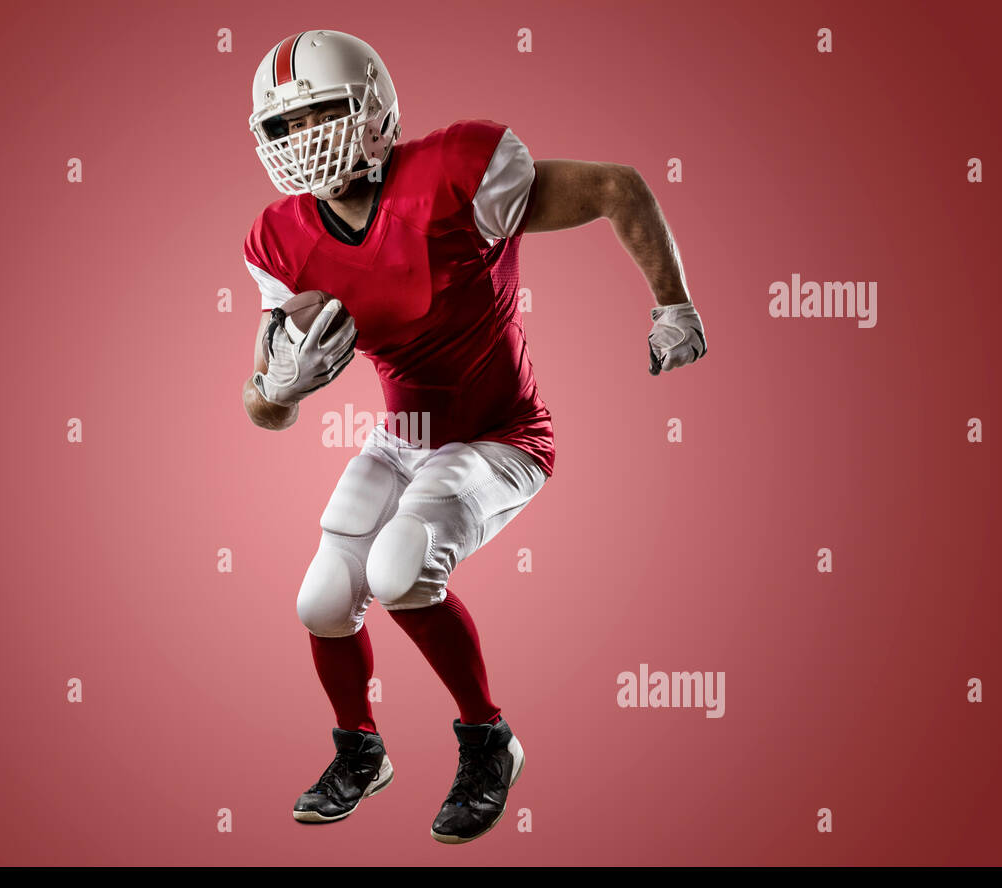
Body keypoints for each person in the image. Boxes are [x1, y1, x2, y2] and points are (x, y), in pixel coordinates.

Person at [241, 29, 707, 844]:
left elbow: (614, 186)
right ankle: (361, 751)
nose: (302, 140)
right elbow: (265, 412)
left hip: (502, 435)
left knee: (395, 569)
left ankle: (490, 740)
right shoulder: (279, 240)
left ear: (376, 111)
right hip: (403, 435)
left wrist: (673, 303)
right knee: (320, 598)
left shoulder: (453, 175)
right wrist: (273, 390)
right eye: (284, 127)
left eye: (320, 114)